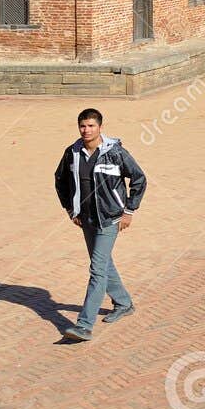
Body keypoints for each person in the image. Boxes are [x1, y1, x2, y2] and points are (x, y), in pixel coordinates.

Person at [54, 108, 145, 342]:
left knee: (97, 268)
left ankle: (84, 325)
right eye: (83, 126)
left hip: (110, 218)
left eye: (91, 126)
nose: (86, 130)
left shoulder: (115, 153)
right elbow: (60, 180)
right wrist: (70, 209)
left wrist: (129, 211)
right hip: (86, 219)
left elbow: (138, 178)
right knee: (103, 264)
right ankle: (124, 303)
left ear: (100, 127)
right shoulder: (72, 153)